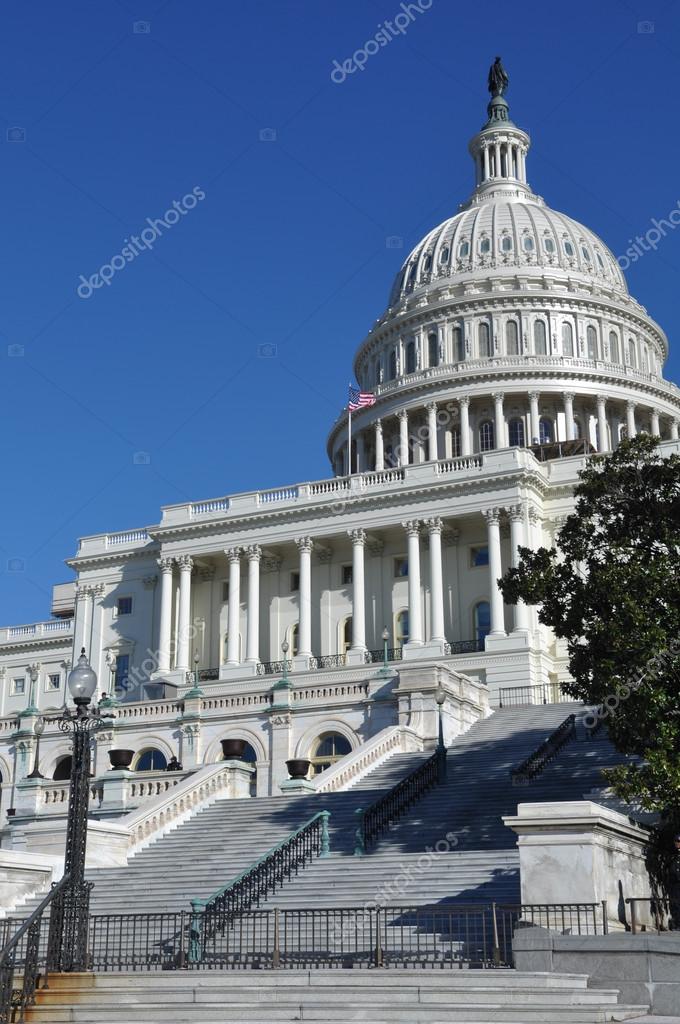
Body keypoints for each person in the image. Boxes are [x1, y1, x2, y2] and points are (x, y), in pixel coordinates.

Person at [670, 833, 680, 930]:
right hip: (675, 885)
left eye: (678, 841)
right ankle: (677, 923)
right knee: (675, 904)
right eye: (676, 841)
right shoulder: (674, 855)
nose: (677, 843)